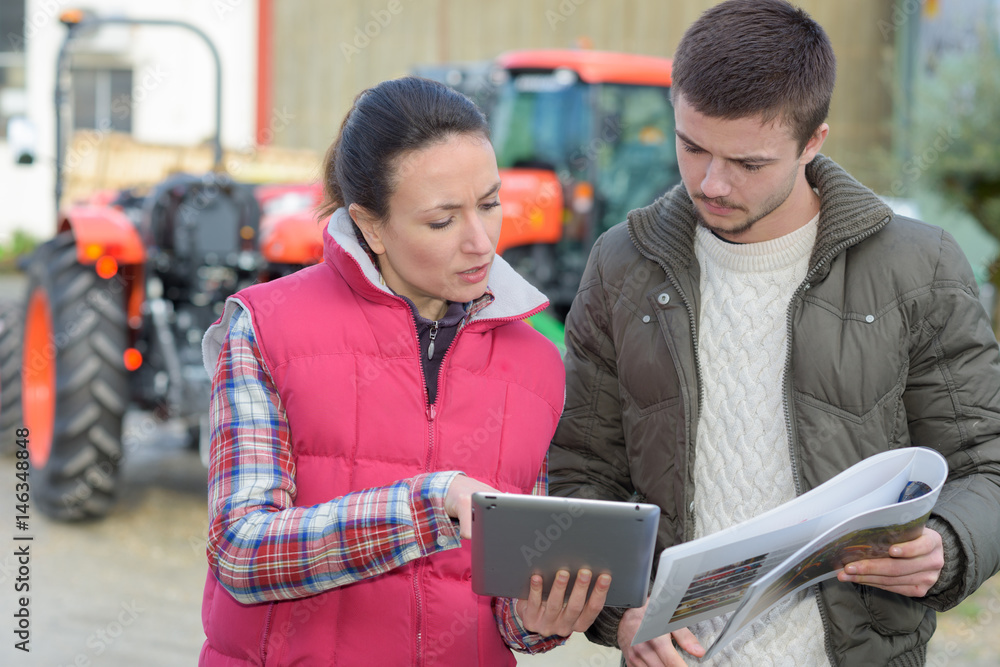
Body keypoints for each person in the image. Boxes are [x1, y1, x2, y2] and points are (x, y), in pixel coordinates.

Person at [548, 1, 1000, 665]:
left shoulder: (919, 267)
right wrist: (624, 614)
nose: (712, 181)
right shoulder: (621, 265)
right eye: (692, 145)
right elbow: (583, 475)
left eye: (749, 162)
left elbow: (986, 463)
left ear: (814, 139)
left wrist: (949, 542)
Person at [198, 76, 610, 666]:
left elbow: (508, 617)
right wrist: (426, 505)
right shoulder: (265, 327)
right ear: (369, 225)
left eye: (490, 204)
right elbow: (241, 553)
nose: (480, 242)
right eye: (442, 221)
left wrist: (537, 619)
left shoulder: (538, 363)